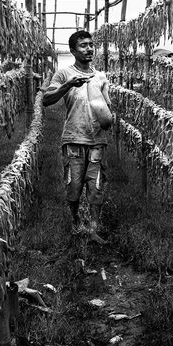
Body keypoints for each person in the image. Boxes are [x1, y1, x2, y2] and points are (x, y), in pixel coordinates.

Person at [42, 30, 113, 244]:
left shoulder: (100, 77)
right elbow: (46, 99)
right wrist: (68, 85)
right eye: (83, 45)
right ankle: (75, 223)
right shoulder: (64, 74)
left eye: (91, 44)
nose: (89, 48)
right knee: (73, 187)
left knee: (96, 188)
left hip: (97, 140)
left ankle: (93, 229)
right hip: (73, 139)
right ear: (73, 50)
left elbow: (107, 107)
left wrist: (109, 117)